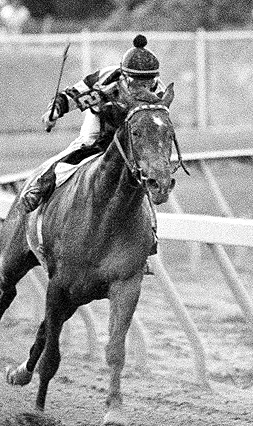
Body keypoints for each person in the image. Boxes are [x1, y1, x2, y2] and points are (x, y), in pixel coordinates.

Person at [19, 34, 166, 274]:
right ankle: (41, 187)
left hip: (131, 135)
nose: (143, 87)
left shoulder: (157, 90)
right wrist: (55, 110)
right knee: (80, 150)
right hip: (101, 126)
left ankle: (146, 245)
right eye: (137, 82)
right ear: (124, 75)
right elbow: (71, 95)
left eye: (147, 82)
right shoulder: (105, 77)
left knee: (141, 182)